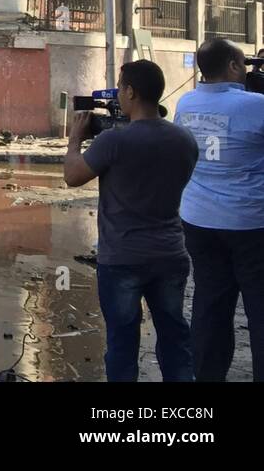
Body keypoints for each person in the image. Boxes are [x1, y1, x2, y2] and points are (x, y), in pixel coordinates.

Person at [64, 58, 199, 381]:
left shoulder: (113, 141)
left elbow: (72, 176)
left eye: (121, 90)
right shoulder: (185, 140)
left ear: (131, 92)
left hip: (122, 258)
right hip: (170, 254)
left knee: (122, 344)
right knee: (174, 338)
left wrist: (74, 139)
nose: (119, 98)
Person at [175, 37, 264, 381]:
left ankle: (207, 376)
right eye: (242, 63)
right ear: (231, 66)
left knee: (210, 303)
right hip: (251, 223)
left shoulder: (186, 102)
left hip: (199, 220)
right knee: (258, 308)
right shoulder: (256, 105)